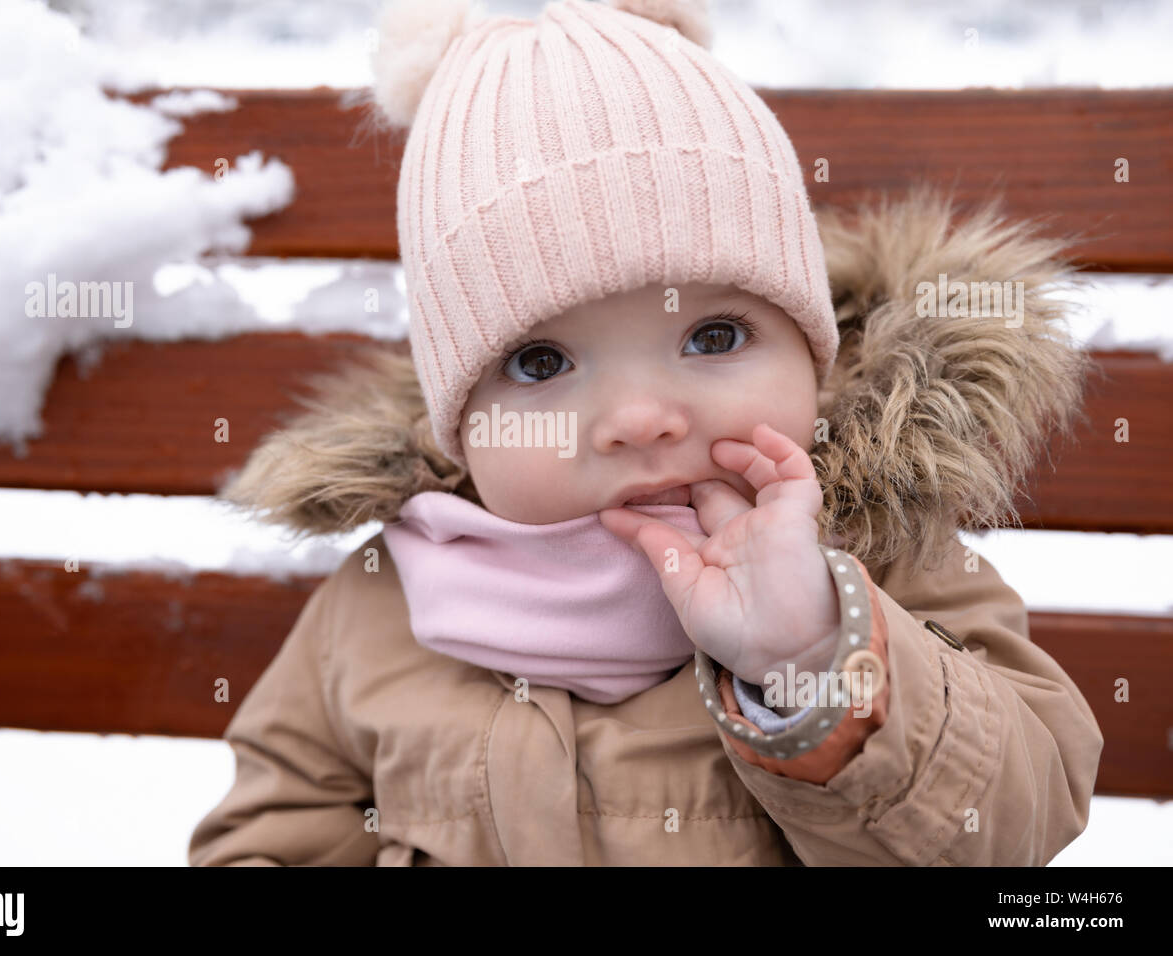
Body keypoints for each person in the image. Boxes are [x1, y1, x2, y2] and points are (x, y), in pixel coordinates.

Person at [188, 0, 1102, 866]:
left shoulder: (874, 561)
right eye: (541, 364)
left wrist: (815, 659)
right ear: (459, 419)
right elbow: (272, 830)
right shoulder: (388, 599)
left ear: (814, 357)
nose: (638, 419)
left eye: (713, 337)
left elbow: (1019, 825)